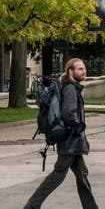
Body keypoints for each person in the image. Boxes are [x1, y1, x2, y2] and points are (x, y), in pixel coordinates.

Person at [24, 57, 99, 209]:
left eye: (84, 68)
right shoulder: (70, 89)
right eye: (80, 69)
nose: (84, 71)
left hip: (74, 142)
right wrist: (79, 126)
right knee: (58, 175)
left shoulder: (71, 87)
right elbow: (68, 113)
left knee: (82, 175)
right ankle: (32, 205)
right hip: (70, 141)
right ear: (70, 71)